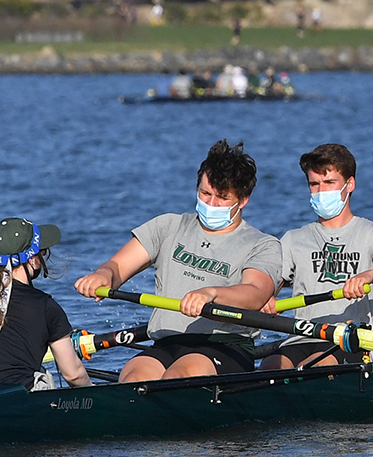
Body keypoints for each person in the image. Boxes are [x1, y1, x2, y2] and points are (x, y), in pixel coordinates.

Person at [75, 140, 282, 380]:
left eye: (222, 198)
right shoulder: (168, 226)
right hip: (167, 342)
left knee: (179, 375)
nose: (211, 204)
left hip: (225, 346)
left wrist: (211, 294)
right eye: (205, 194)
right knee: (132, 377)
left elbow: (256, 293)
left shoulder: (263, 244)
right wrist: (103, 275)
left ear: (243, 200)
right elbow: (117, 266)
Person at [264, 143, 373, 368]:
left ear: (350, 184)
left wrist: (371, 276)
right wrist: (265, 299)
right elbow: (267, 287)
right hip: (302, 337)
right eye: (314, 184)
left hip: (352, 340)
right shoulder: (292, 239)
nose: (321, 191)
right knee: (271, 367)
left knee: (315, 365)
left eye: (329, 183)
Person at [0, 218, 92, 390]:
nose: (43, 256)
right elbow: (73, 374)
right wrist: (98, 397)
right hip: (17, 401)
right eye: (42, 252)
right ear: (31, 259)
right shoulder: (44, 305)